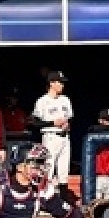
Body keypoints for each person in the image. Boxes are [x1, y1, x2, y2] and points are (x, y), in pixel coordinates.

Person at [30, 70, 75, 202]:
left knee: (63, 171)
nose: (62, 85)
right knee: (47, 169)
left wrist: (67, 124)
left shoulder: (65, 99)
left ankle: (63, 202)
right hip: (50, 136)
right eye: (60, 82)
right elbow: (34, 122)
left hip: (64, 137)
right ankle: (43, 200)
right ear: (52, 83)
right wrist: (52, 123)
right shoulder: (42, 101)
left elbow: (71, 117)